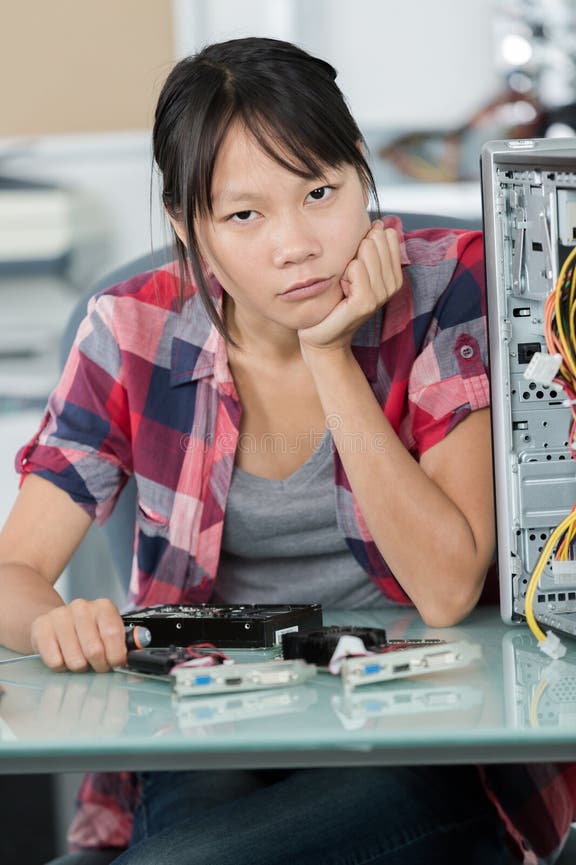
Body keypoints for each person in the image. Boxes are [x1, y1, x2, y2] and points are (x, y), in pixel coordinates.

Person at [0, 36, 572, 865]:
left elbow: (447, 588)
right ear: (187, 227)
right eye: (244, 215)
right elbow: (12, 574)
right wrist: (61, 622)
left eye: (320, 191)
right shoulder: (132, 329)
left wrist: (328, 354)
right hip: (207, 719)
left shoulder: (452, 286)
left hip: (429, 727)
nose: (296, 243)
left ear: (360, 174)